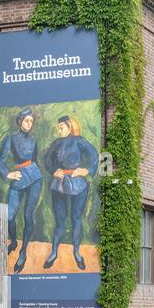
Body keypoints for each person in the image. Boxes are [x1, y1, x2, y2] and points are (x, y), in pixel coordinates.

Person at [41, 115, 98, 269]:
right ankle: (53, 252)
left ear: (70, 127)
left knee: (76, 219)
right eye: (58, 127)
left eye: (62, 127)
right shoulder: (56, 143)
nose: (59, 130)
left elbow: (94, 155)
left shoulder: (79, 141)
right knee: (60, 221)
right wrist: (53, 171)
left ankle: (77, 253)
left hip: (78, 184)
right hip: (59, 184)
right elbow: (47, 160)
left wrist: (86, 170)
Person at [0, 108, 42, 273]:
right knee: (10, 216)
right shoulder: (11, 138)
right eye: (26, 120)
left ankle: (23, 251)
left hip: (35, 178)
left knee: (28, 215)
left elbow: (34, 159)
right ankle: (13, 242)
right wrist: (8, 173)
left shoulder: (35, 140)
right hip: (19, 178)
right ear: (20, 121)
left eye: (31, 121)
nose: (29, 124)